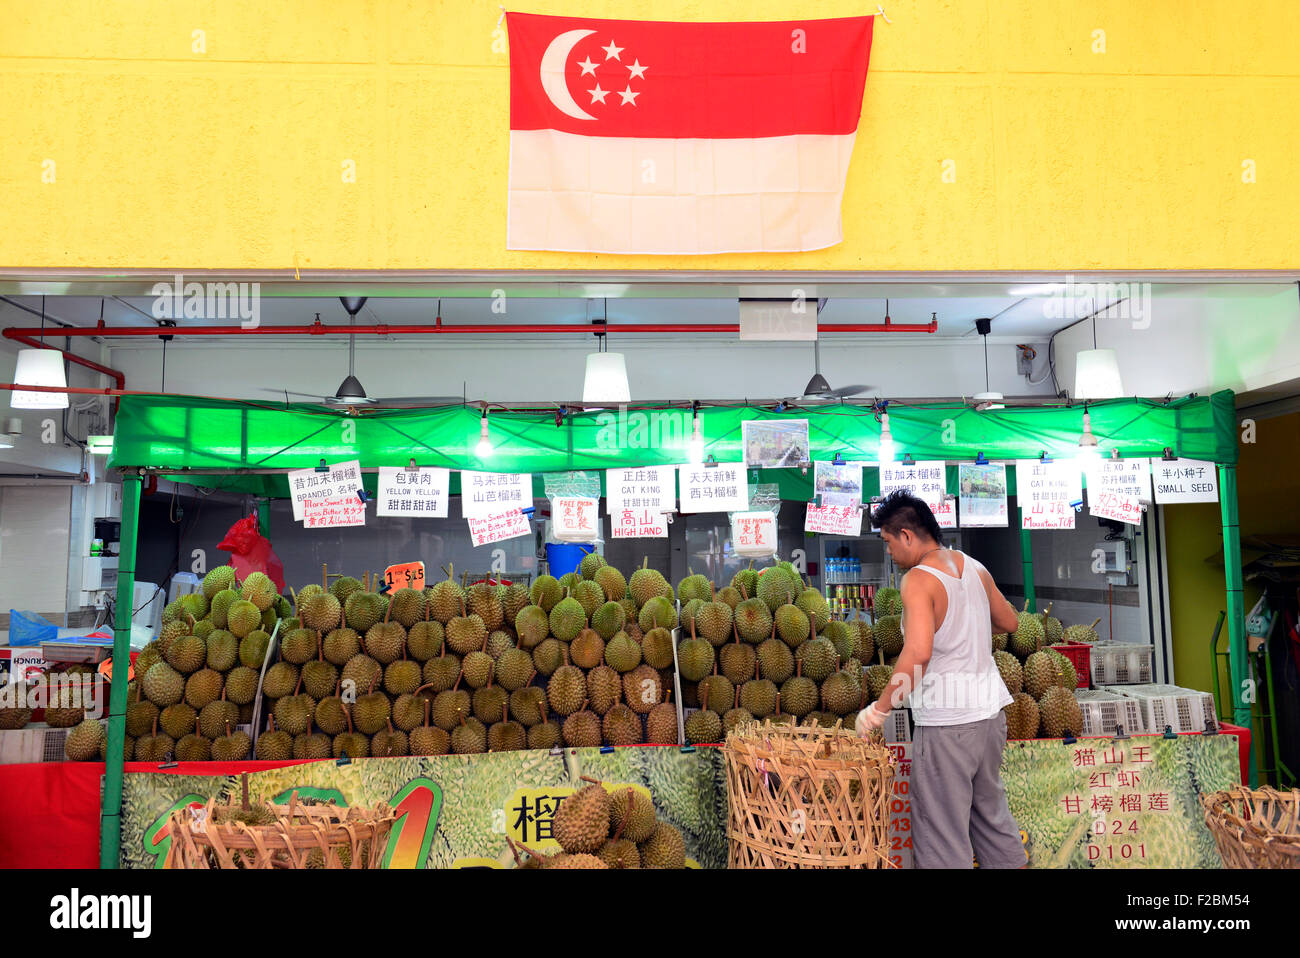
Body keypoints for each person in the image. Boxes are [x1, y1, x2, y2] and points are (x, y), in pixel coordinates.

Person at [856, 489, 1026, 869]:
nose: (888, 552)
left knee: (940, 834)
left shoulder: (918, 580)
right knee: (991, 818)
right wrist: (969, 631)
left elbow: (918, 653)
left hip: (949, 722)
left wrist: (880, 709)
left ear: (907, 536)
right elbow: (1010, 622)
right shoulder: (975, 567)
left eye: (887, 541)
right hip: (989, 717)